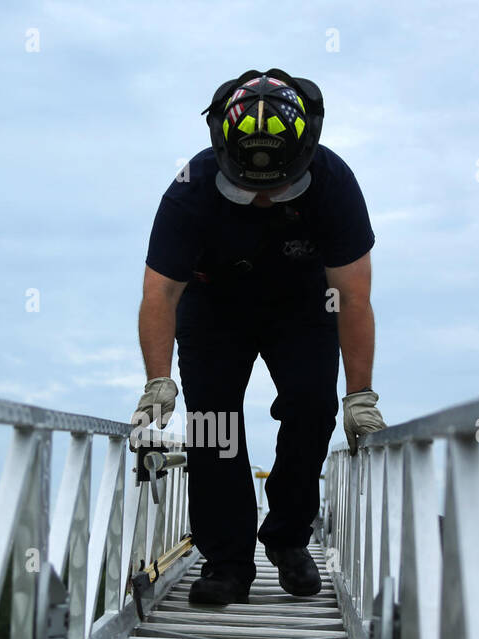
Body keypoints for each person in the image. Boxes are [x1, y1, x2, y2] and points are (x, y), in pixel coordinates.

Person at [133, 68, 386, 605]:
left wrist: (359, 394)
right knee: (213, 421)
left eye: (280, 187)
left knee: (312, 408)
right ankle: (226, 563)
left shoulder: (334, 183)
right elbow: (160, 295)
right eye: (249, 188)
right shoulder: (190, 190)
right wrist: (158, 382)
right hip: (213, 304)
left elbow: (355, 299)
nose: (265, 199)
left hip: (303, 303)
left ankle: (289, 539)